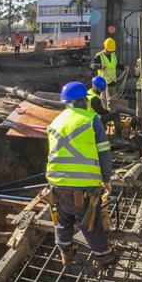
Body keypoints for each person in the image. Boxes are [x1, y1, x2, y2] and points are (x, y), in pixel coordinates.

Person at [46, 81, 117, 269]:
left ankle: (65, 252)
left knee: (62, 220)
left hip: (56, 184)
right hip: (83, 187)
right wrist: (106, 178)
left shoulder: (54, 122)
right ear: (81, 101)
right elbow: (104, 153)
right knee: (90, 223)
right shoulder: (91, 120)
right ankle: (103, 257)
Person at [91, 37, 124, 108]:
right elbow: (92, 65)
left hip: (112, 82)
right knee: (103, 100)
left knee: (113, 101)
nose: (110, 52)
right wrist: (100, 66)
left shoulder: (113, 54)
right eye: (109, 50)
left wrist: (124, 67)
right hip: (102, 84)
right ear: (105, 47)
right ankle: (104, 115)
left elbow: (116, 65)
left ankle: (112, 115)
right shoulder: (99, 56)